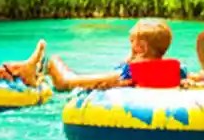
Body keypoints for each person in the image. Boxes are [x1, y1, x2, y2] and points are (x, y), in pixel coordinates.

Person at [48, 18, 188, 90]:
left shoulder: (130, 72)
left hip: (80, 81)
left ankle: (48, 63)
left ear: (141, 48)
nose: (130, 45)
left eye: (132, 41)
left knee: (62, 75)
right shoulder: (177, 70)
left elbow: (108, 80)